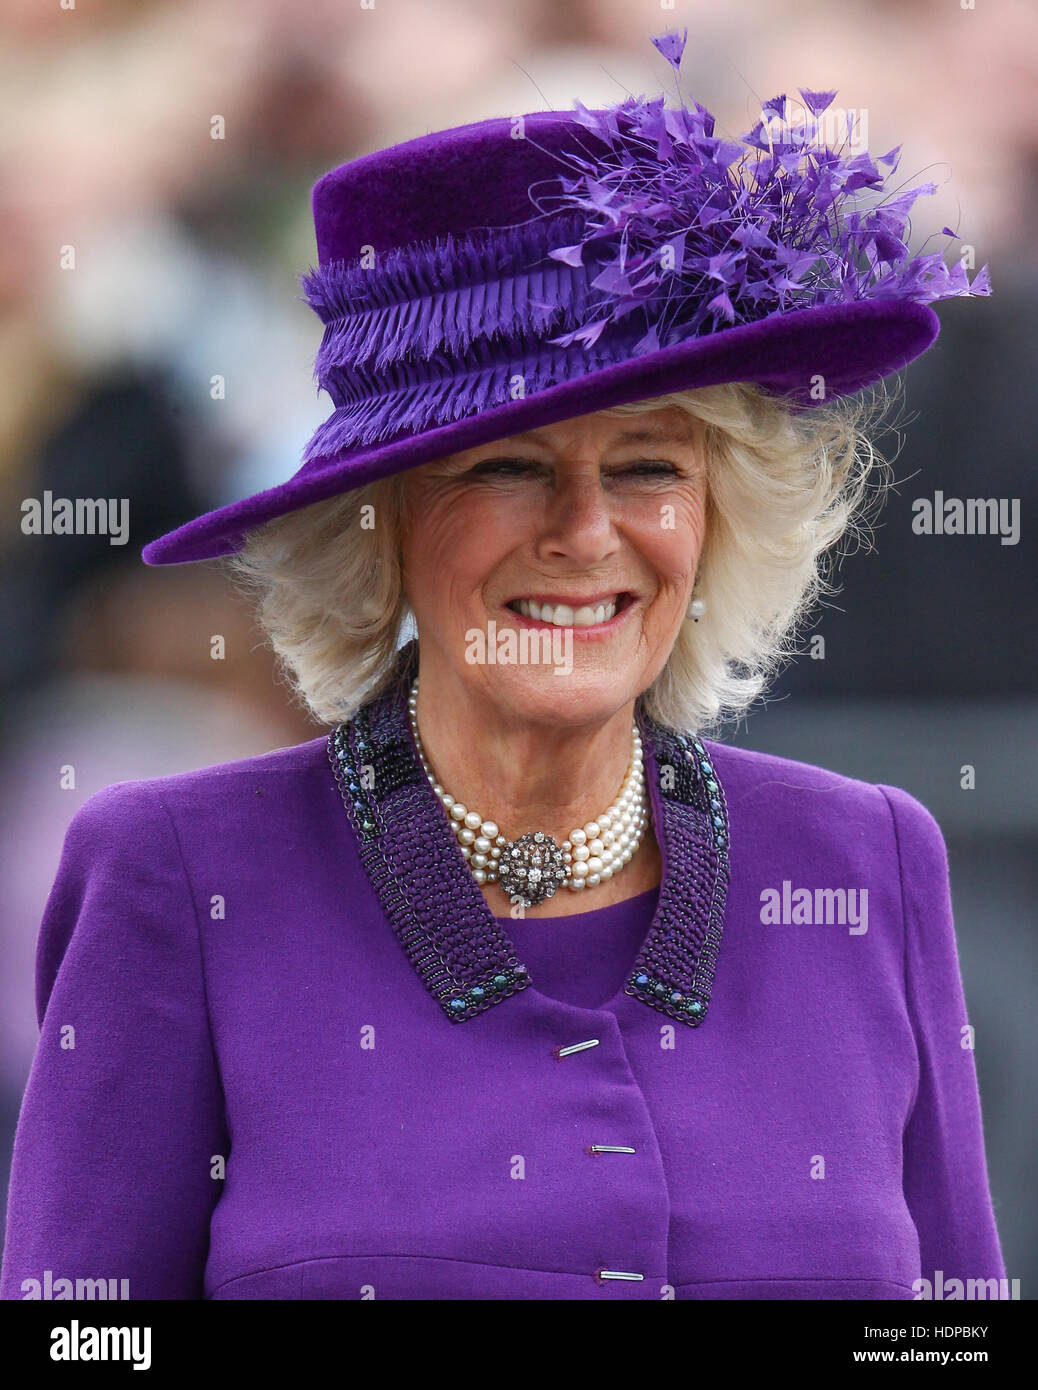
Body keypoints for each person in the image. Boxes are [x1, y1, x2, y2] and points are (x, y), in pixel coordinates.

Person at [1, 33, 1005, 1300]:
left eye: (649, 466)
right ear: (382, 527)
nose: (587, 537)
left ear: (717, 519)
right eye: (508, 467)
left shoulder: (867, 865)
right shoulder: (180, 877)